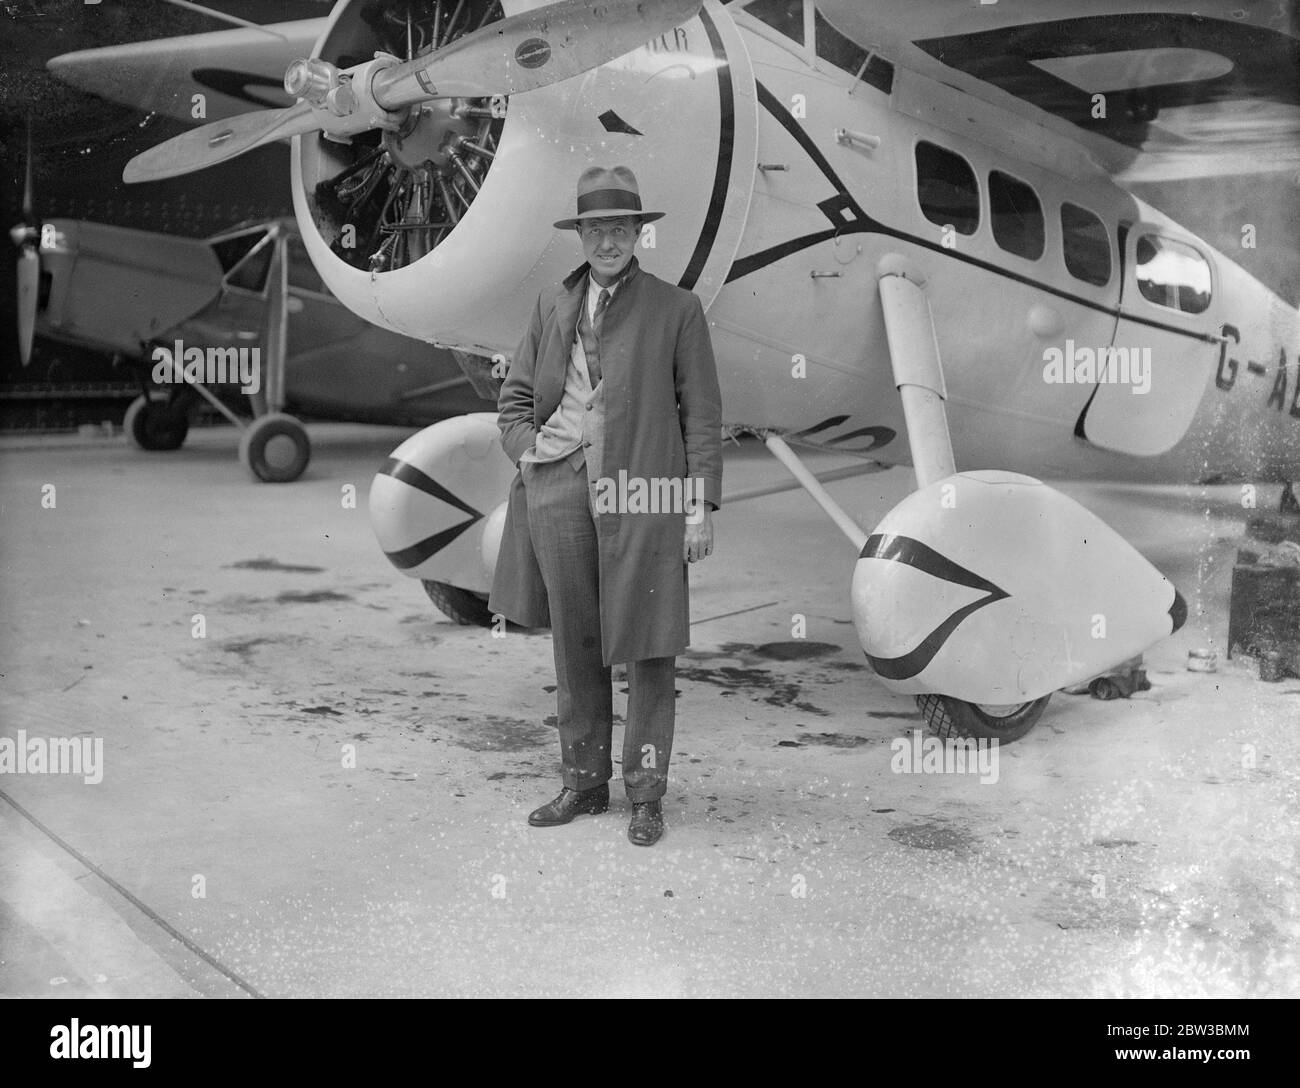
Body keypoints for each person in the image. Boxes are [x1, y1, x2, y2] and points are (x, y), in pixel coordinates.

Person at [488, 165, 722, 846]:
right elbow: (515, 402)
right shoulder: (551, 304)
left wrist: (698, 503)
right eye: (597, 229)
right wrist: (534, 455)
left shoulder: (677, 310)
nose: (609, 241)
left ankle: (646, 794)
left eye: (621, 228)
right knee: (576, 643)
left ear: (638, 234)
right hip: (558, 491)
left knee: (649, 648)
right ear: (582, 235)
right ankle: (583, 784)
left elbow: (701, 415)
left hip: (646, 496)